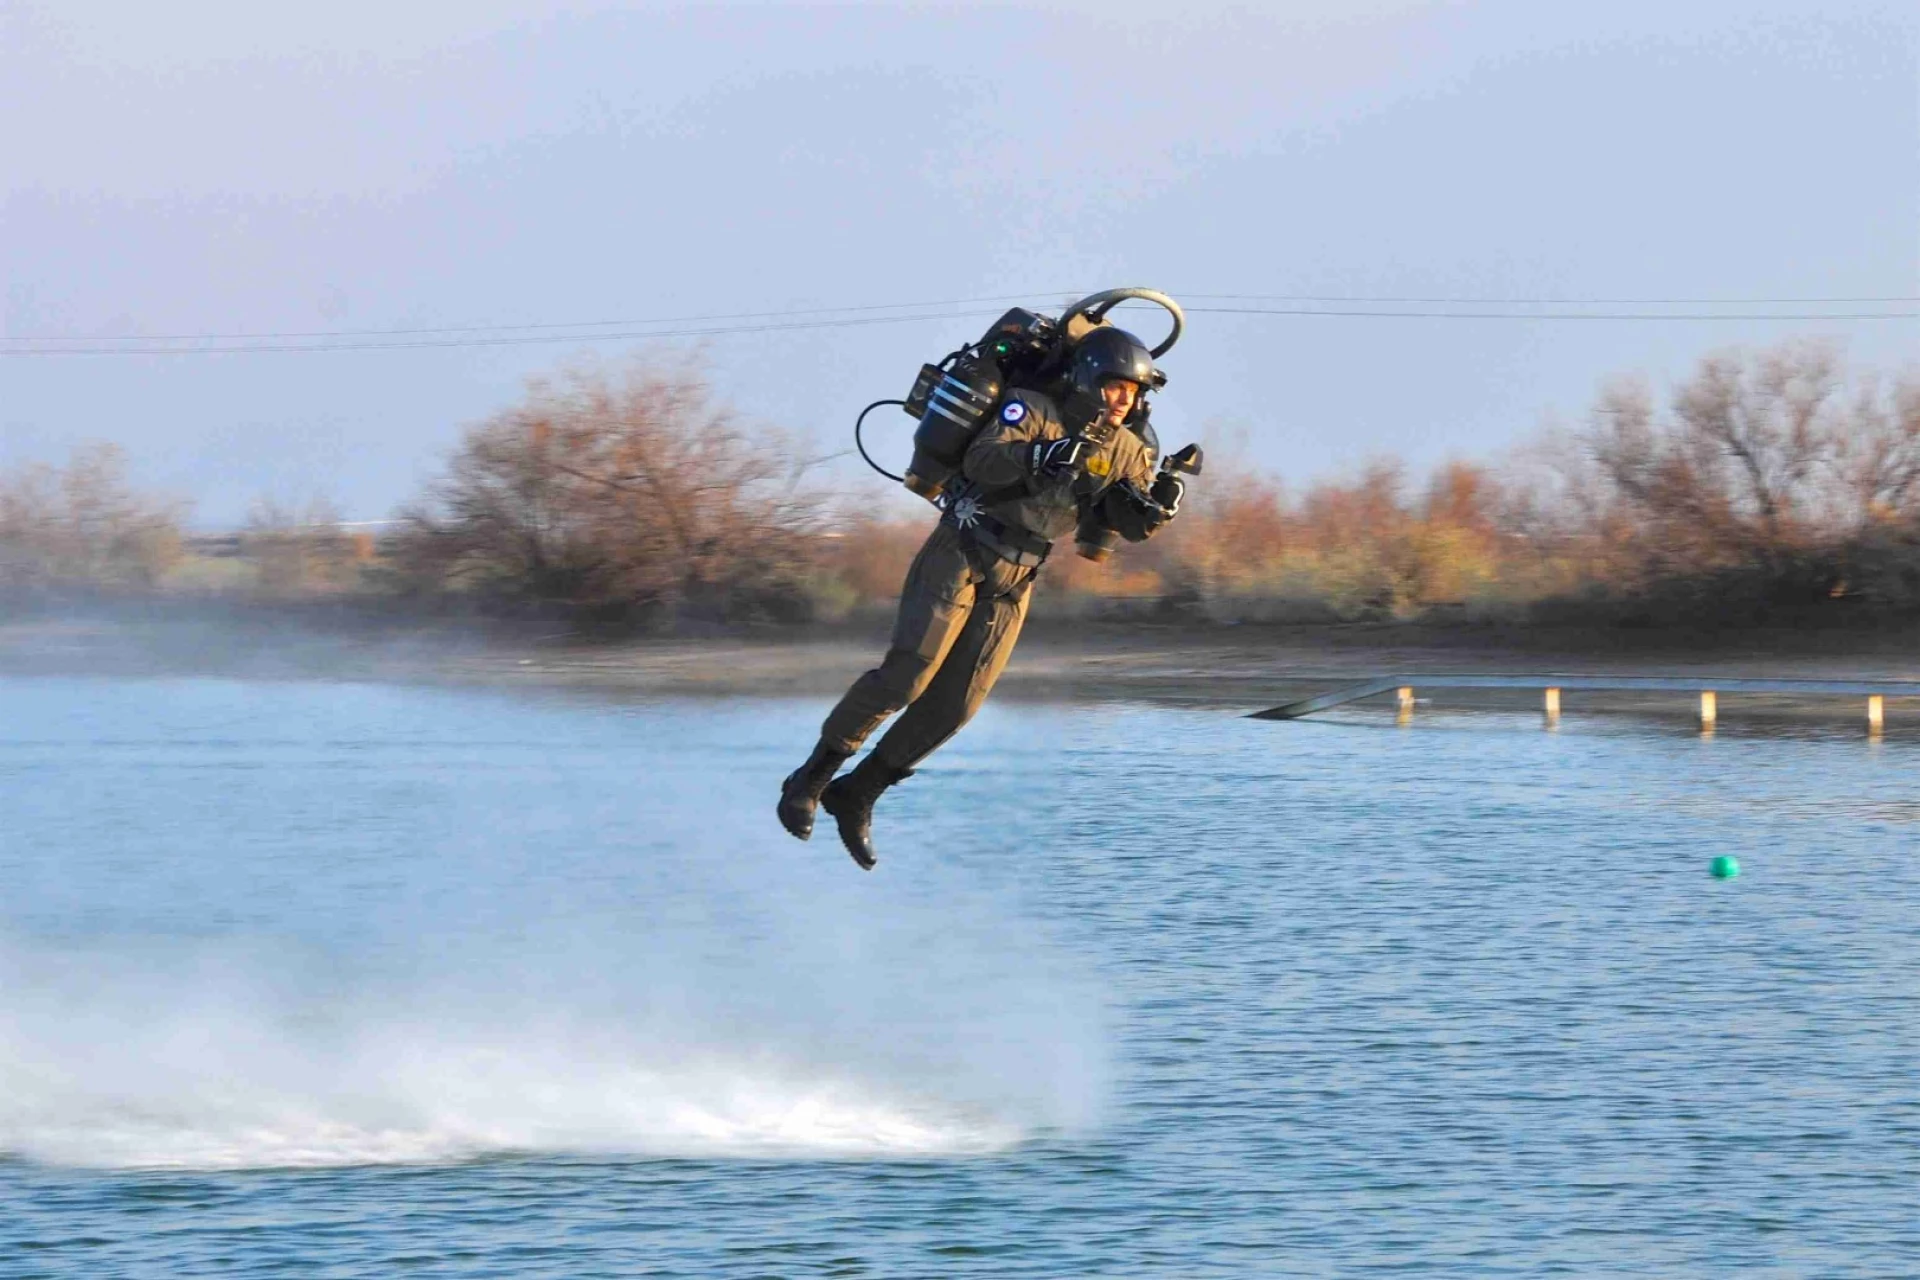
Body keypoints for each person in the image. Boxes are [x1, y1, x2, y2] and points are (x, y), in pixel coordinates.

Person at [777, 326, 1190, 869]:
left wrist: (1154, 508)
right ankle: (811, 777)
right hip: (965, 546)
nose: (1124, 401)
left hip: (1019, 576)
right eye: (1116, 387)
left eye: (1133, 393)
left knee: (958, 704)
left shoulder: (1129, 450)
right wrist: (1044, 455)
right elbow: (983, 461)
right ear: (1089, 378)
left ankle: (859, 793)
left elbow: (1114, 521)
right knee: (908, 675)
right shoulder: (1029, 409)